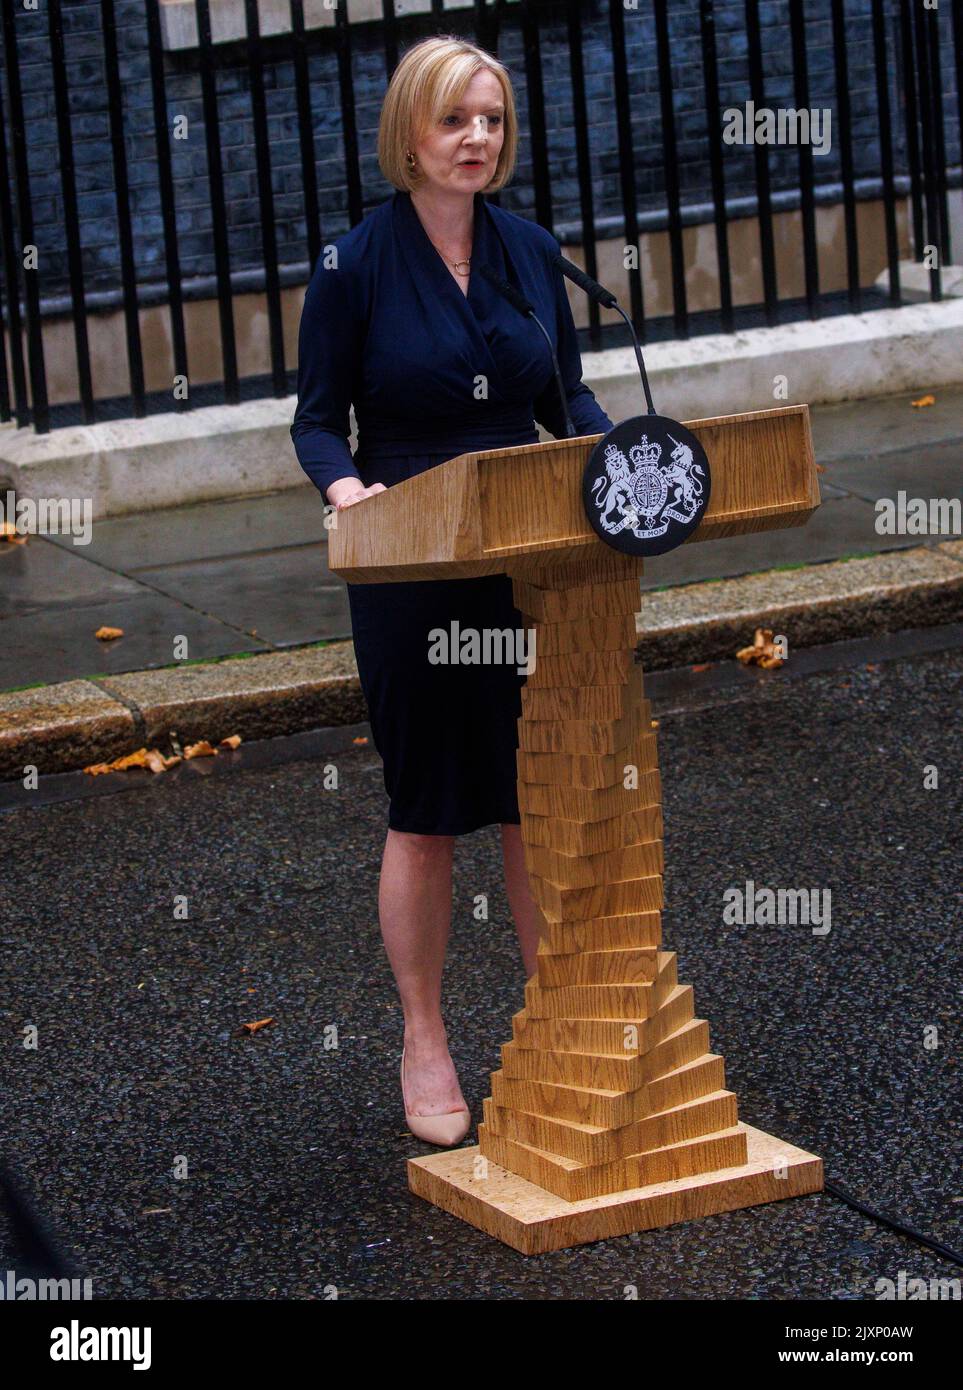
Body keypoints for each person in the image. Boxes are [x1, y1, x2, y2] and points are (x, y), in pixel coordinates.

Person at [291, 34, 614, 1147]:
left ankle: (557, 1022)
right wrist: (345, 487)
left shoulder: (530, 252)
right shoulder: (355, 264)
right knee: (430, 808)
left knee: (538, 796)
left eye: (492, 120)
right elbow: (315, 416)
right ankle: (424, 1038)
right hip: (413, 555)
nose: (477, 138)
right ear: (410, 135)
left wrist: (628, 467)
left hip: (529, 553)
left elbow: (566, 399)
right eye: (454, 120)